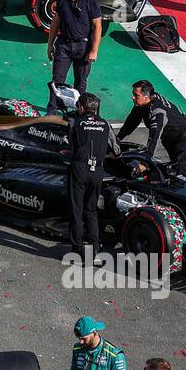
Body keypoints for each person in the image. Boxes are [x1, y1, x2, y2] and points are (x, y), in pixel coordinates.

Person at [66, 93, 117, 263]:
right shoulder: (105, 124)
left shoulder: (75, 122)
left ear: (81, 107)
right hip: (98, 170)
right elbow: (116, 150)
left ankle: (77, 250)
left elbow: (71, 146)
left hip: (80, 168)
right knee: (91, 210)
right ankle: (95, 247)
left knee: (76, 210)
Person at [117, 80, 186, 177]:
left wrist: (145, 163)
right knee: (175, 165)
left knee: (181, 171)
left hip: (181, 137)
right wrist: (117, 139)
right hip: (167, 137)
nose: (132, 97)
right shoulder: (143, 103)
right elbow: (131, 122)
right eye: (133, 94)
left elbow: (154, 139)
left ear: (146, 97)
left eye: (136, 95)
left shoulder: (158, 113)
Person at [47, 0, 102, 99]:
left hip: (83, 47)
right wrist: (50, 44)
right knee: (57, 82)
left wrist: (94, 50)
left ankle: (79, 112)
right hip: (63, 45)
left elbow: (97, 27)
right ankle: (52, 110)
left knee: (81, 82)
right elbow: (56, 21)